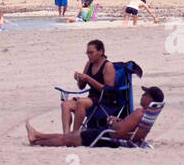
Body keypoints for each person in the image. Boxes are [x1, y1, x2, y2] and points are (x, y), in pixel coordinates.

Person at [29, 87, 165, 147]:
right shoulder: (145, 114)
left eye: (145, 94)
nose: (142, 96)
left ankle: (37, 140)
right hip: (112, 137)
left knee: (69, 138)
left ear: (150, 99)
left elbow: (121, 131)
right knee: (72, 136)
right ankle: (38, 136)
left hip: (108, 137)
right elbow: (126, 129)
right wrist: (118, 121)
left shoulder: (139, 112)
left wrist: (112, 122)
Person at [61, 40, 115, 133]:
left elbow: (107, 90)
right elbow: (81, 87)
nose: (89, 55)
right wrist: (79, 79)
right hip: (92, 98)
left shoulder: (107, 65)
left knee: (81, 102)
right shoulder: (89, 64)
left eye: (91, 52)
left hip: (105, 100)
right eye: (87, 53)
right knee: (65, 104)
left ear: (100, 52)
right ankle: (66, 134)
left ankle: (75, 134)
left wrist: (89, 79)